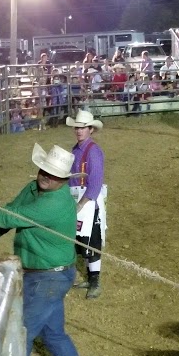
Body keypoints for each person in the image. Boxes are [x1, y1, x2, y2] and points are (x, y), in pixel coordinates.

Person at [0, 144, 96, 356]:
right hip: (41, 275)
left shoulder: (55, 204)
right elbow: (8, 215)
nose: (46, 176)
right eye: (44, 171)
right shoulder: (32, 189)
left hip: (48, 278)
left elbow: (7, 217)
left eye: (54, 174)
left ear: (63, 179)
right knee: (54, 334)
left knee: (19, 332)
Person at [65, 109, 105, 299]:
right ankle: (90, 278)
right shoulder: (76, 150)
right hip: (78, 199)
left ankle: (95, 280)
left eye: (83, 127)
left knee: (92, 241)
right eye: (77, 127)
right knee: (82, 239)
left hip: (89, 203)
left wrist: (81, 204)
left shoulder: (93, 152)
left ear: (90, 129)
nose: (79, 130)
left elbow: (95, 183)